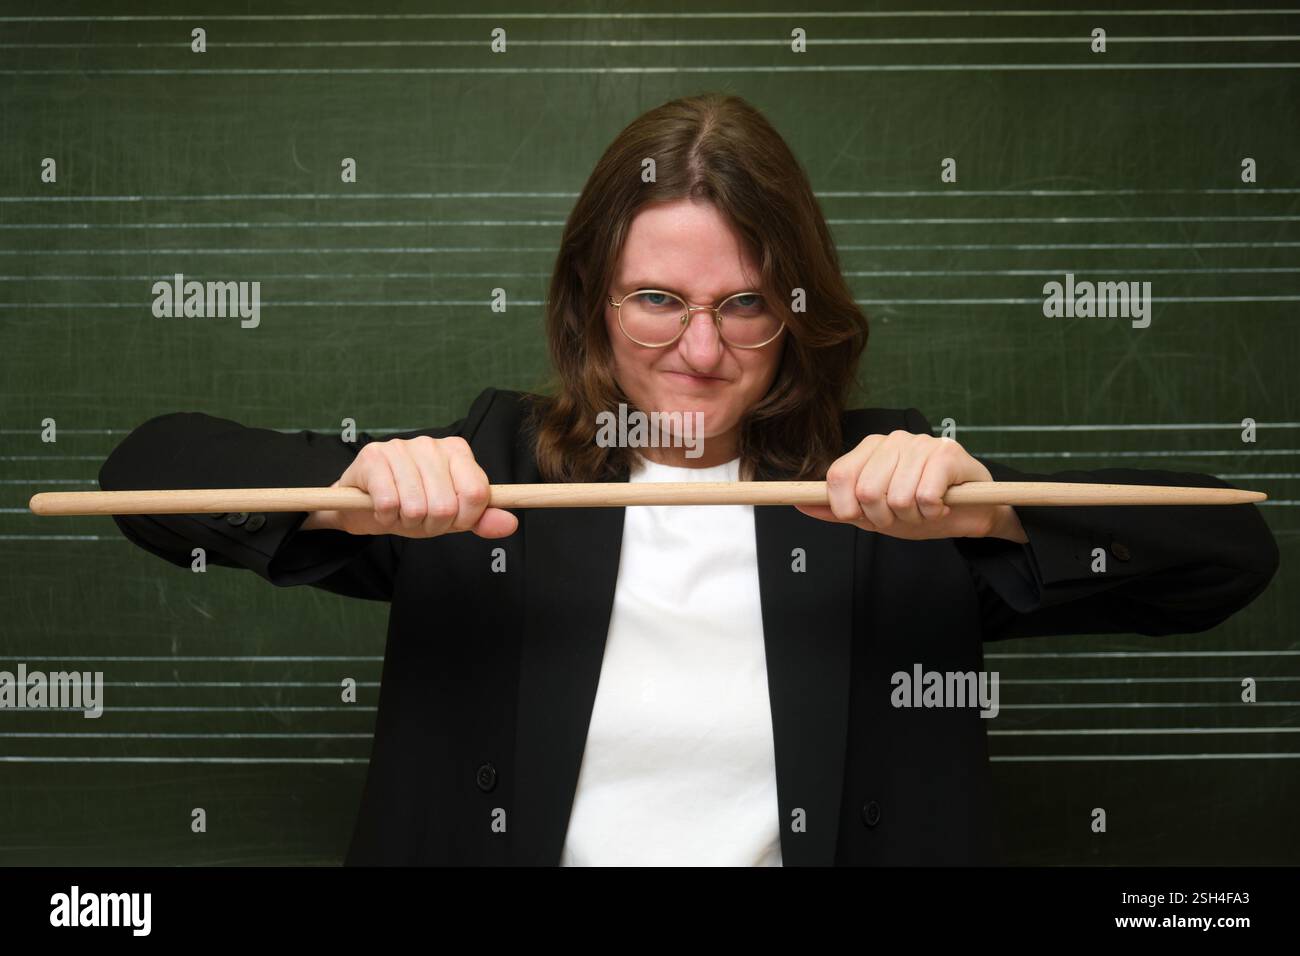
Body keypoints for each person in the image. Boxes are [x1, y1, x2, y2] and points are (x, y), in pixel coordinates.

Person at [98, 93, 1279, 866]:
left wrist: (999, 511)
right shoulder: (491, 470)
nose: (701, 350)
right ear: (592, 307)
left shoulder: (886, 490)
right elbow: (148, 468)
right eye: (658, 299)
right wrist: (353, 476)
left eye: (746, 304)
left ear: (797, 311)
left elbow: (1228, 556)